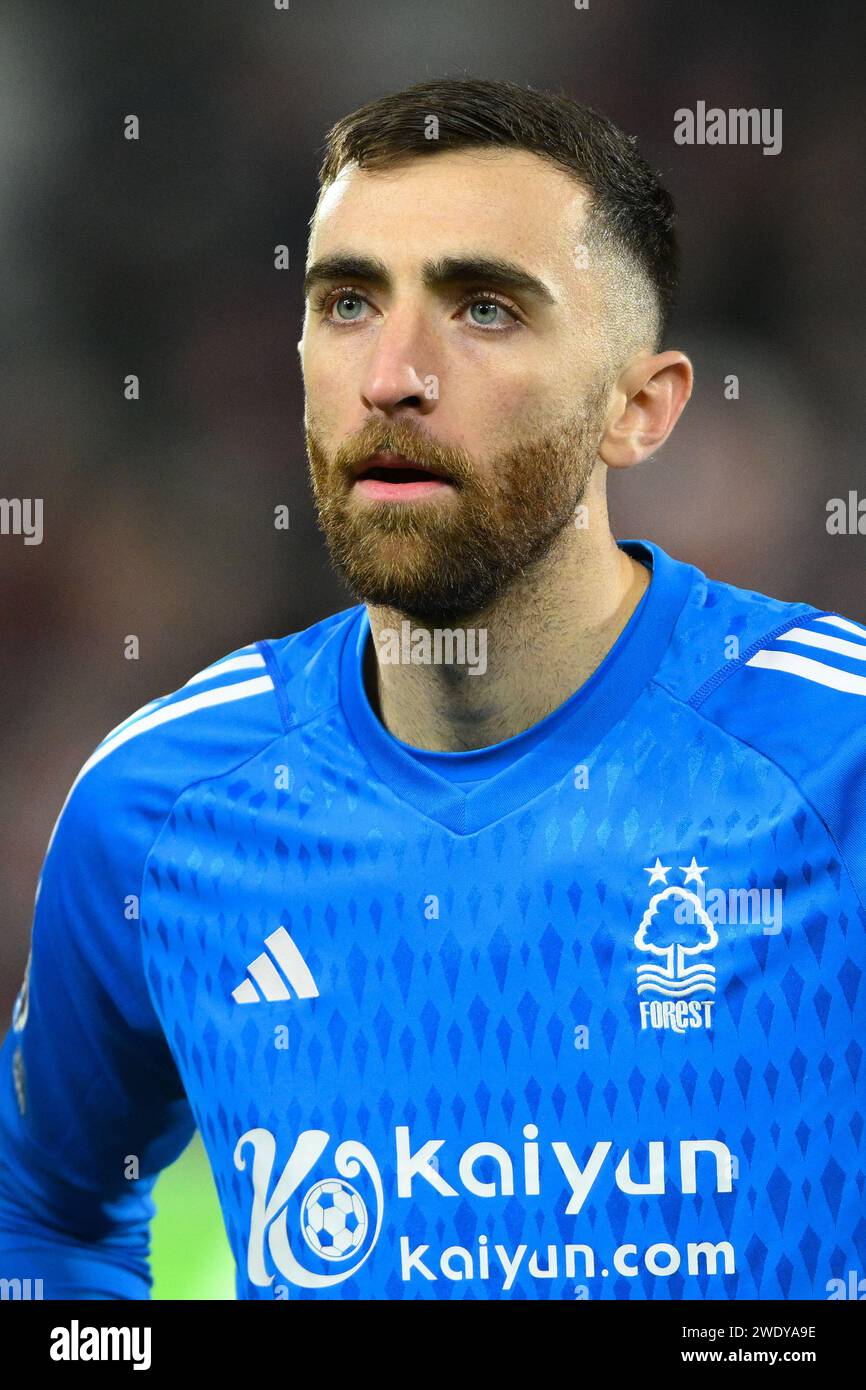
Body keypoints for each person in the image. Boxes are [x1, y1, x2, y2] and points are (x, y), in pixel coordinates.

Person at [1, 77, 863, 1301]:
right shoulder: (157, 811)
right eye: (347, 302)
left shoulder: (836, 760)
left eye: (485, 309)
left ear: (640, 408)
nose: (394, 374)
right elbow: (42, 1215)